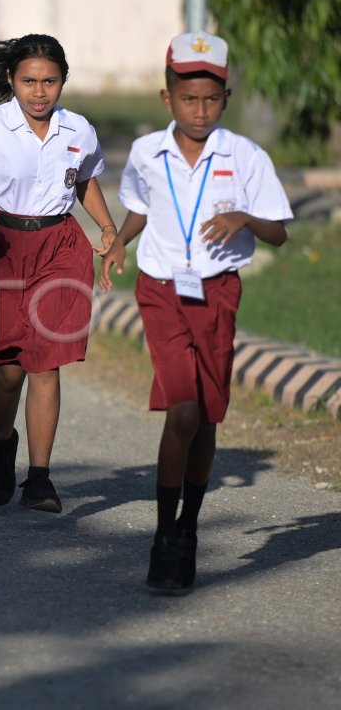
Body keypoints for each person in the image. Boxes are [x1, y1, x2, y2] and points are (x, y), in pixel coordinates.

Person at [99, 32, 292, 594]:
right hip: (160, 291)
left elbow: (279, 232)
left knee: (207, 416)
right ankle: (163, 538)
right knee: (183, 412)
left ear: (226, 98)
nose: (200, 110)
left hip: (218, 294)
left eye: (211, 99)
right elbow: (139, 207)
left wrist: (245, 220)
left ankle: (189, 529)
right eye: (188, 99)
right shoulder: (145, 153)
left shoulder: (246, 158)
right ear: (167, 100)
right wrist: (119, 244)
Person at [0, 34, 118, 514]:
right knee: (10, 366)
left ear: (63, 81)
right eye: (29, 81)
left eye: (50, 82)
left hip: (60, 246)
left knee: (46, 360)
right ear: (12, 81)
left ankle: (39, 478)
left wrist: (106, 226)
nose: (39, 92)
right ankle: (3, 438)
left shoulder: (78, 129)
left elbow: (85, 180)